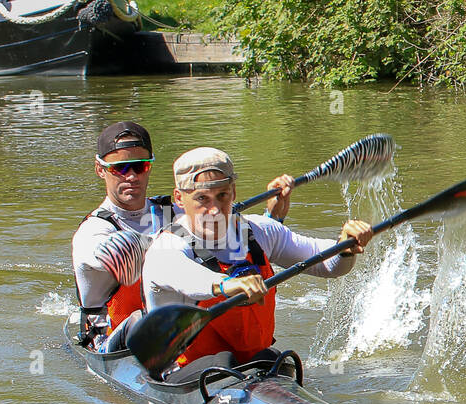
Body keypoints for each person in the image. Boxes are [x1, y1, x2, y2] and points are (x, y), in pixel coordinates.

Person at [141, 147, 372, 380]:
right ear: (180, 198)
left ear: (233, 191)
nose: (214, 210)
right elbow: (188, 278)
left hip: (252, 366)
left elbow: (329, 267)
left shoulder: (259, 231)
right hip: (185, 376)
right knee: (223, 364)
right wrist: (227, 285)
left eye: (222, 196)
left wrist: (345, 247)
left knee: (275, 360)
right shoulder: (166, 248)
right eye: (202, 198)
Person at [71, 121, 295, 351]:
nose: (131, 176)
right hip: (115, 342)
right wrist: (156, 251)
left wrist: (272, 219)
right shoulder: (93, 231)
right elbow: (112, 254)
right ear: (100, 170)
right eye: (120, 168)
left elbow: (229, 232)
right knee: (139, 319)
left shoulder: (172, 212)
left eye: (140, 167)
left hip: (172, 337)